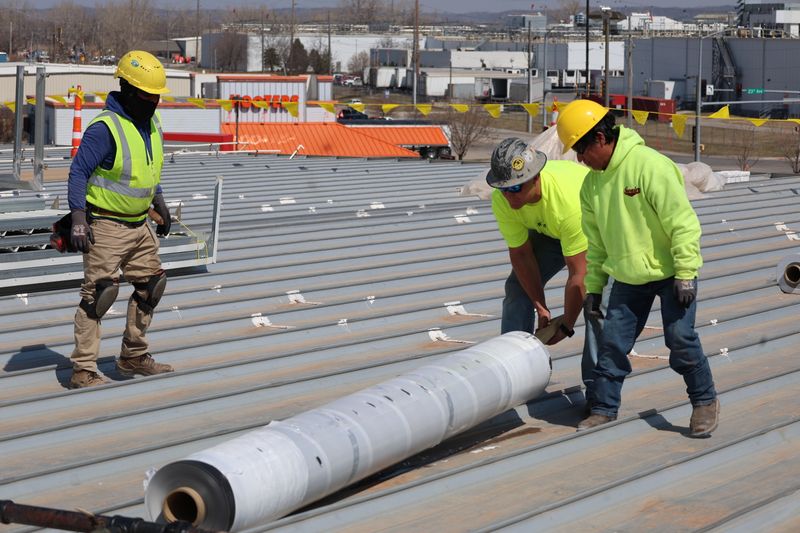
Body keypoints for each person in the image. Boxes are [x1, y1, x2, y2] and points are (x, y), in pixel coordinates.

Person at [557, 99, 719, 437]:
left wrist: (687, 272)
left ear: (600, 138)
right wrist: (596, 289)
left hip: (673, 272)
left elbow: (682, 224)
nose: (579, 158)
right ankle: (603, 408)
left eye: (581, 150)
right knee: (612, 343)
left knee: (681, 339)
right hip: (630, 278)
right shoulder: (591, 186)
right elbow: (597, 244)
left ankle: (704, 401)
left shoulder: (649, 167)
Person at [67, 50, 174, 388]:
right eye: (147, 95)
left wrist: (160, 203)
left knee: (150, 288)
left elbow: (147, 170)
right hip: (106, 225)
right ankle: (83, 369)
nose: (154, 101)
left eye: (157, 96)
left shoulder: (151, 124)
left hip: (140, 224)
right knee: (98, 295)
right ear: (128, 90)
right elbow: (78, 172)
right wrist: (79, 218)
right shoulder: (105, 128)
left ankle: (133, 356)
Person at [486, 137, 602, 412]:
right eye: (503, 189)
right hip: (549, 229)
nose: (509, 196)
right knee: (517, 291)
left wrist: (566, 324)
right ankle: (515, 372)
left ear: (536, 178)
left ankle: (599, 393)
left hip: (596, 227)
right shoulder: (503, 200)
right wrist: (540, 306)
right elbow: (522, 256)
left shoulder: (568, 202)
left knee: (595, 304)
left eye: (515, 188)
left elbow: (579, 276)